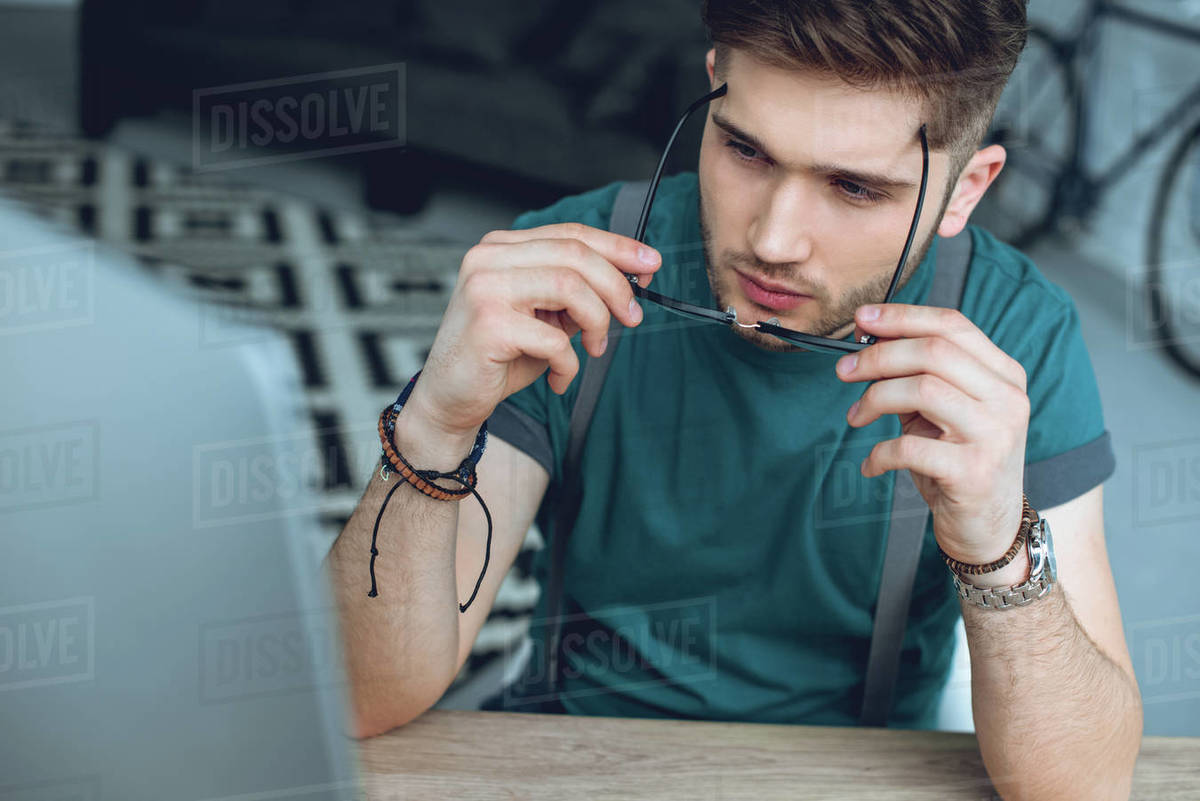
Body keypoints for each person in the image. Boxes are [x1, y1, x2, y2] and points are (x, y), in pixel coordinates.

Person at [325, 1, 1143, 797]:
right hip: (572, 758)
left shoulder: (1013, 334)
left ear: (966, 189)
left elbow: (1085, 786)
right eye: (746, 150)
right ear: (714, 83)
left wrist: (997, 544)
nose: (772, 242)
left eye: (855, 189)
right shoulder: (572, 277)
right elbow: (359, 699)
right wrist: (434, 420)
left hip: (857, 778)